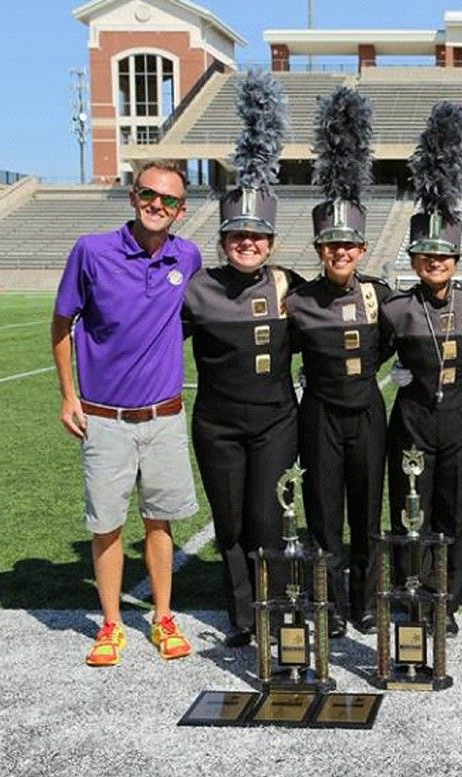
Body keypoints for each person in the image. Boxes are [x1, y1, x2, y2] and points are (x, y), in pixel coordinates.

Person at [52, 160, 201, 666]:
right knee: (107, 525)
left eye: (169, 199)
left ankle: (163, 617)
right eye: (149, 194)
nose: (158, 205)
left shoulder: (188, 256)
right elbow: (61, 324)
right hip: (105, 418)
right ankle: (112, 624)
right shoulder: (91, 251)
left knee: (160, 523)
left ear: (182, 209)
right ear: (133, 196)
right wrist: (68, 395)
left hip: (164, 417)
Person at [182, 70, 299, 648]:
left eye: (257, 235)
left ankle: (274, 607)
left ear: (271, 242)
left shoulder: (288, 284)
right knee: (229, 523)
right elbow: (153, 341)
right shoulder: (197, 288)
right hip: (217, 424)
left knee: (267, 519)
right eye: (236, 235)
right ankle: (242, 614)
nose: (247, 242)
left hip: (276, 422)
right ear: (223, 239)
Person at [381, 102, 462, 637]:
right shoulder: (397, 308)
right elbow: (369, 357)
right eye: (426, 256)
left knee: (454, 513)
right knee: (411, 511)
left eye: (444, 256)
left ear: (456, 260)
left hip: (459, 423)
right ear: (413, 260)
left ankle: (446, 599)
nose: (435, 263)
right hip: (412, 420)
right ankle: (413, 594)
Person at [286, 86, 392, 638]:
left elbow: (398, 340)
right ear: (318, 249)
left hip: (367, 411)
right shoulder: (297, 299)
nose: (341, 253)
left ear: (363, 249)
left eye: (349, 246)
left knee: (367, 514)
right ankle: (327, 603)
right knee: (324, 514)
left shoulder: (379, 294)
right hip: (320, 415)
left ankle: (366, 602)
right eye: (331, 246)